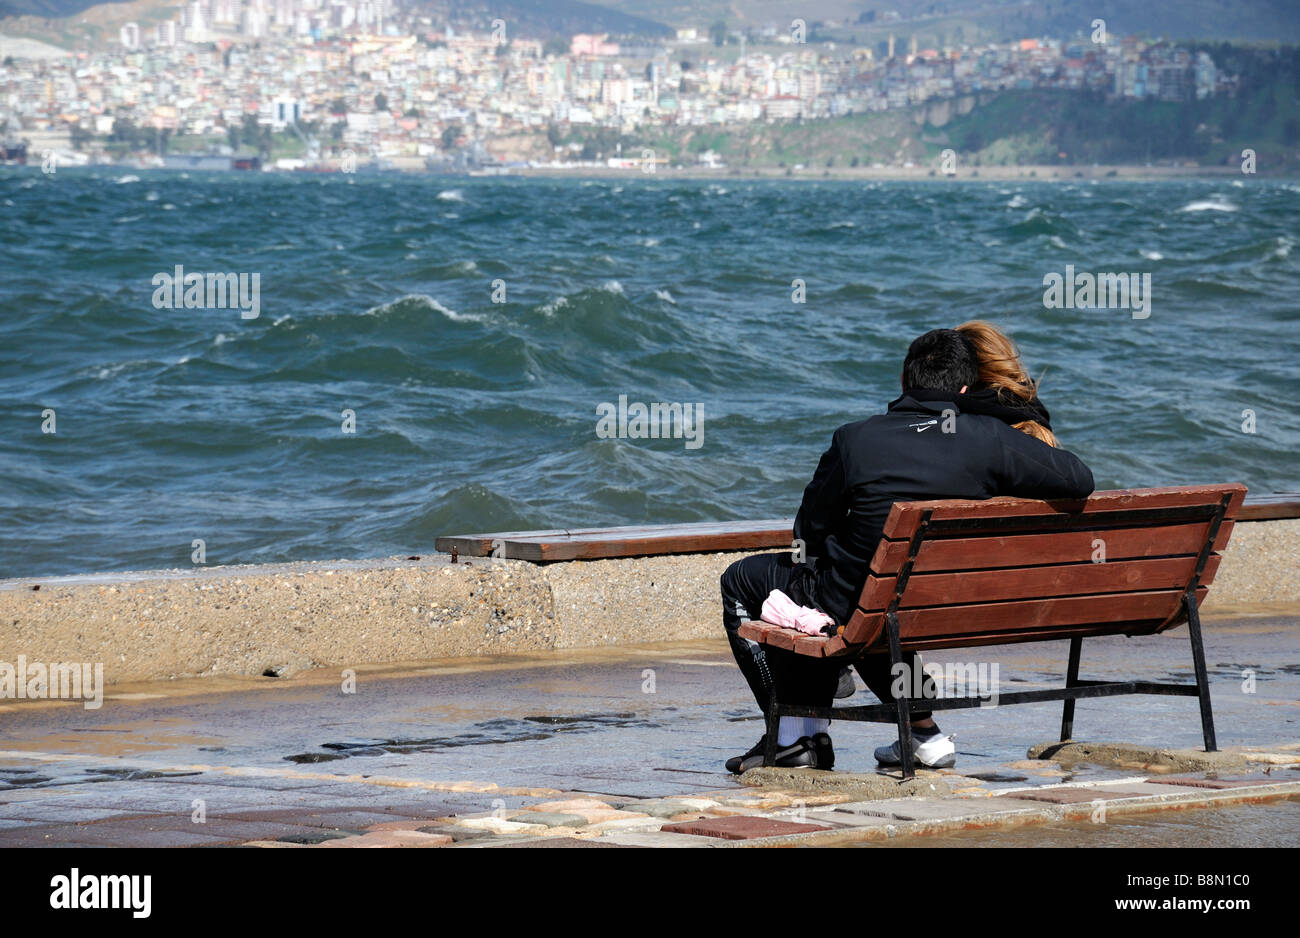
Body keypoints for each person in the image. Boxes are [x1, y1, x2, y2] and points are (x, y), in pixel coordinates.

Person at [720, 328, 1094, 774]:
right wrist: (977, 412)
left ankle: (790, 736)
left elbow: (810, 531)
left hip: (866, 606)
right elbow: (1078, 479)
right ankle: (918, 732)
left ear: (903, 378)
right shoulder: (988, 439)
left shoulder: (856, 439)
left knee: (745, 581)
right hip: (950, 604)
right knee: (875, 605)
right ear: (963, 388)